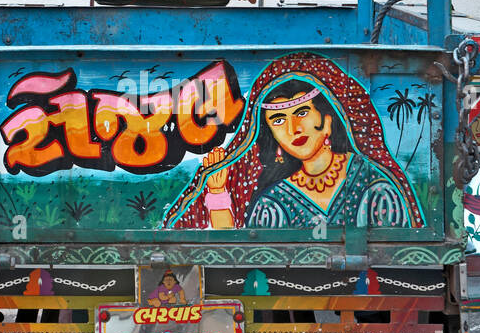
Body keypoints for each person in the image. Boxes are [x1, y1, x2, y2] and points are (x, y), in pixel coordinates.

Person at [164, 53, 423, 231]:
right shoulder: (273, 203)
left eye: (301, 113)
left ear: (328, 120)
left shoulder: (373, 186)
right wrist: (218, 192)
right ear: (272, 138)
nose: (292, 128)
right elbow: (239, 257)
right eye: (277, 120)